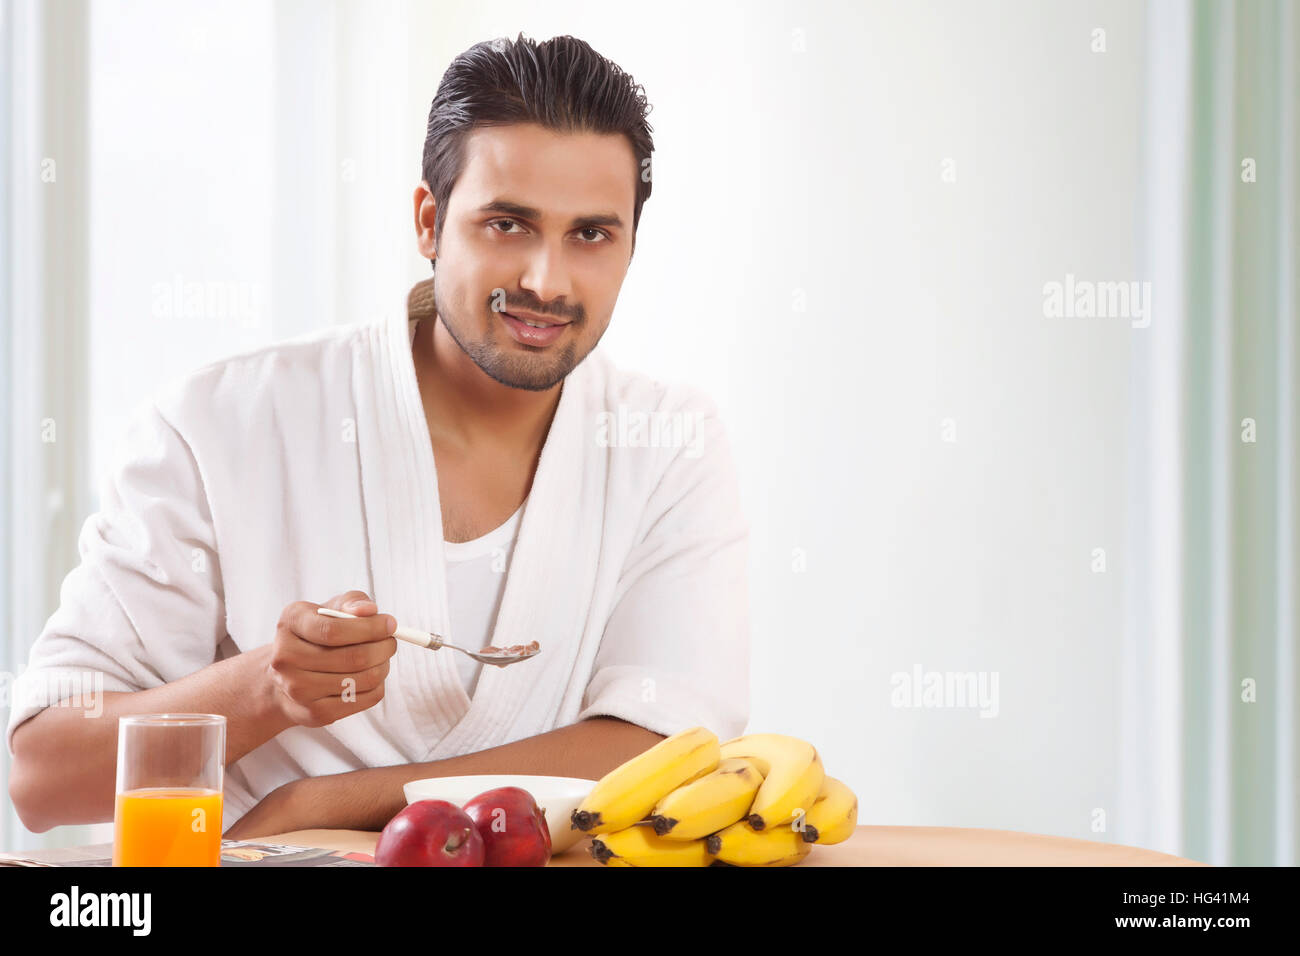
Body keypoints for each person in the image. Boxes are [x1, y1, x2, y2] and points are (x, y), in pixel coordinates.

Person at [6, 33, 749, 839]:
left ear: (632, 245)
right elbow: (42, 777)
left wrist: (323, 804)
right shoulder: (221, 422)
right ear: (430, 222)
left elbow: (665, 748)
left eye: (591, 235)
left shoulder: (667, 444)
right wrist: (266, 691)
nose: (547, 281)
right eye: (507, 224)